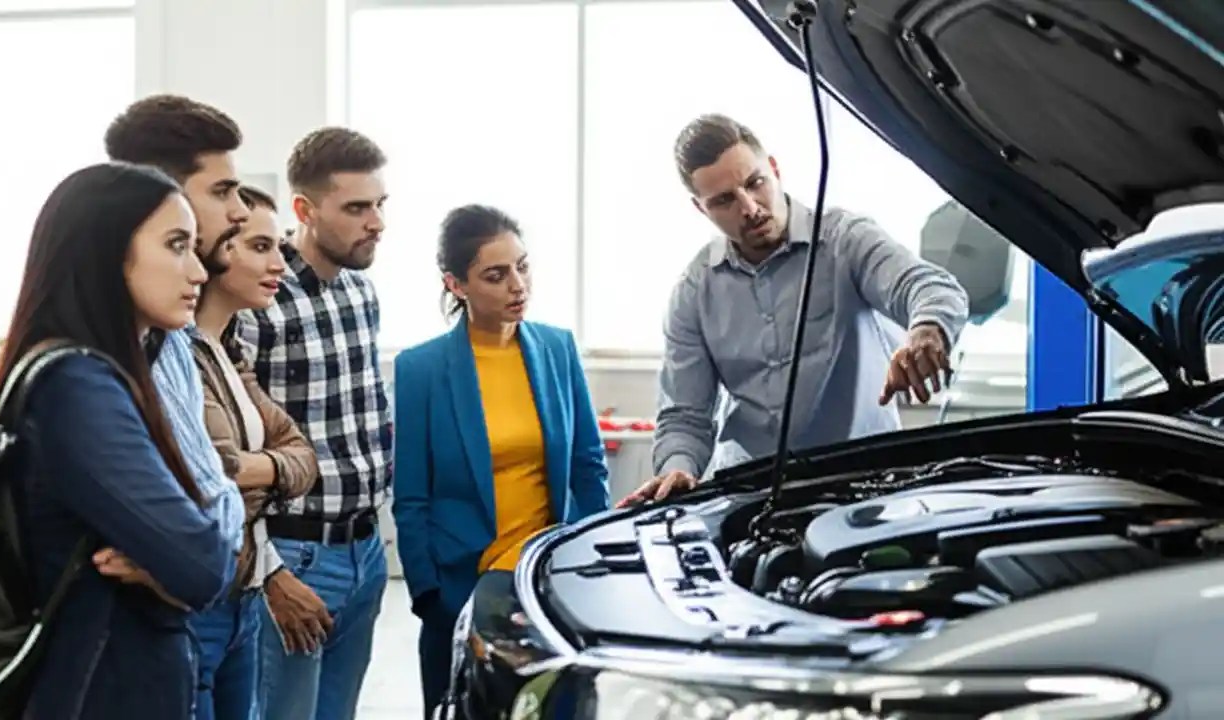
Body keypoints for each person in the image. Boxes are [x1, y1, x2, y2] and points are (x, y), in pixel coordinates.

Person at [0, 162, 238, 718]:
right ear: (106, 253)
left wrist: (167, 562)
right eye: (176, 246)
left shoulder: (106, 373)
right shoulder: (77, 385)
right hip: (97, 691)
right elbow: (204, 563)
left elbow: (193, 558)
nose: (198, 271)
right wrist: (175, 563)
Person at [622, 113, 970, 506]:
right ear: (701, 209)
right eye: (724, 201)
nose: (750, 208)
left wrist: (926, 330)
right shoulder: (692, 292)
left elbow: (929, 286)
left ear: (774, 168)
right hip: (751, 494)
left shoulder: (845, 240)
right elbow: (685, 416)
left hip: (863, 488)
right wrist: (677, 467)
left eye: (755, 183)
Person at [393, 204, 610, 717]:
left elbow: (587, 464)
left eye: (523, 266)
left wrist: (590, 559)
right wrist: (430, 594)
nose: (518, 285)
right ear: (456, 283)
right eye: (496, 274)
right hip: (462, 586)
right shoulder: (420, 369)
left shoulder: (556, 348)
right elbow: (411, 497)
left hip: (551, 581)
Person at [103, 93, 258, 716]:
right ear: (162, 195)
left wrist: (202, 540)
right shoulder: (102, 360)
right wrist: (202, 541)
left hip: (198, 610)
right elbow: (205, 536)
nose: (241, 212)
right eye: (223, 191)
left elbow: (214, 511)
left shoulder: (174, 338)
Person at [237, 127, 392, 720]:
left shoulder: (362, 292)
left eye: (380, 204)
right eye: (356, 207)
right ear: (304, 210)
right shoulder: (259, 301)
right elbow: (231, 457)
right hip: (295, 557)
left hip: (366, 552)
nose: (375, 221)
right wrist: (271, 574)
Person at [187, 184, 320, 719]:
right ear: (218, 248)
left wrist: (251, 469)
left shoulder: (228, 348)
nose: (280, 267)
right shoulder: (179, 358)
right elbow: (211, 482)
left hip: (241, 598)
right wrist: (241, 473)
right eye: (261, 247)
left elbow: (301, 454)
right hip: (203, 604)